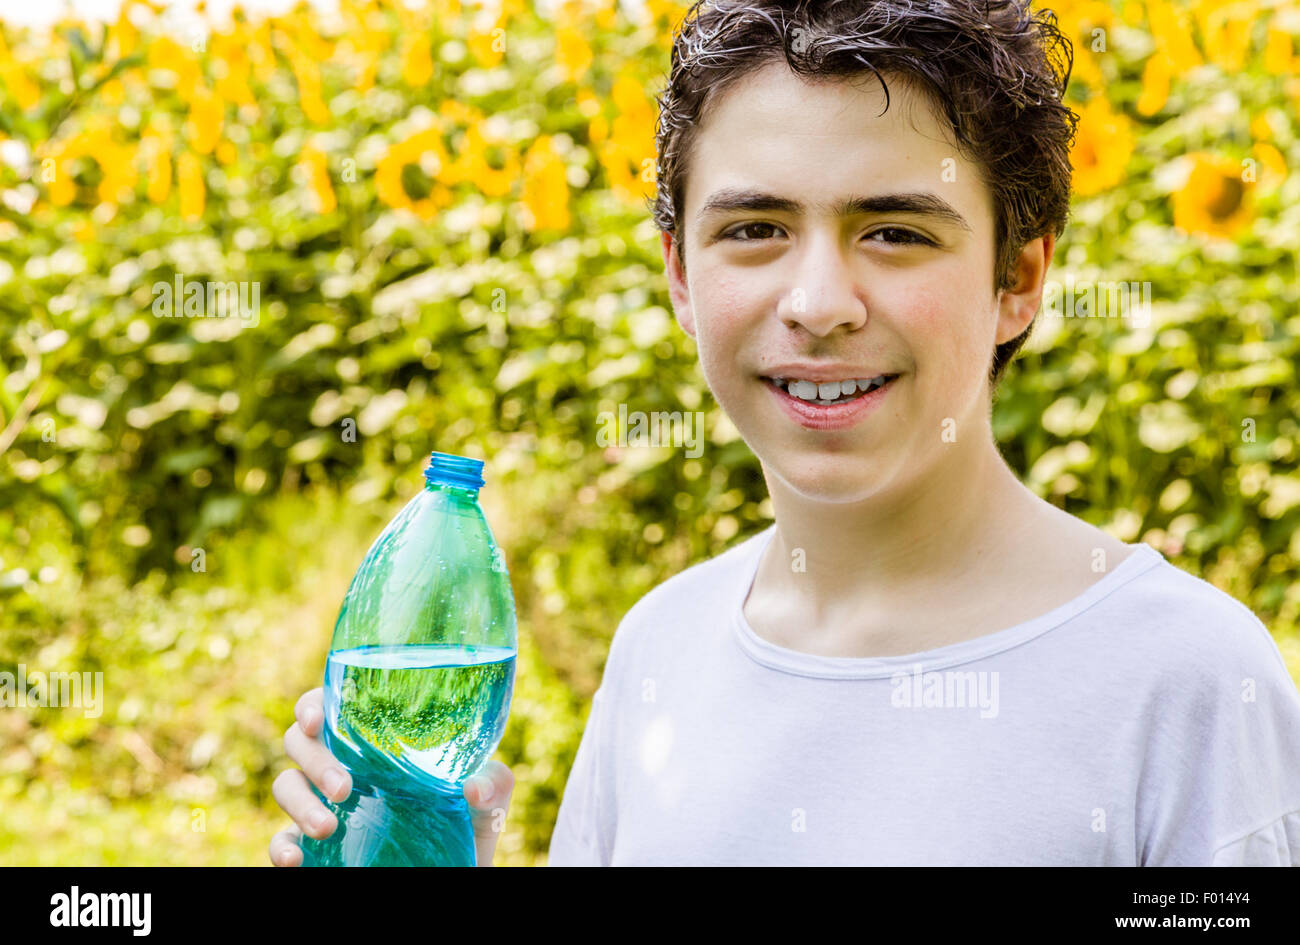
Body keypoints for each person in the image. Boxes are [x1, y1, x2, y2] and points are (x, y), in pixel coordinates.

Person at [271, 0, 1300, 865]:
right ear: (680, 274)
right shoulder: (659, 649)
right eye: (754, 230)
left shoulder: (1184, 679)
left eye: (893, 231)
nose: (817, 302)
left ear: (1017, 278)